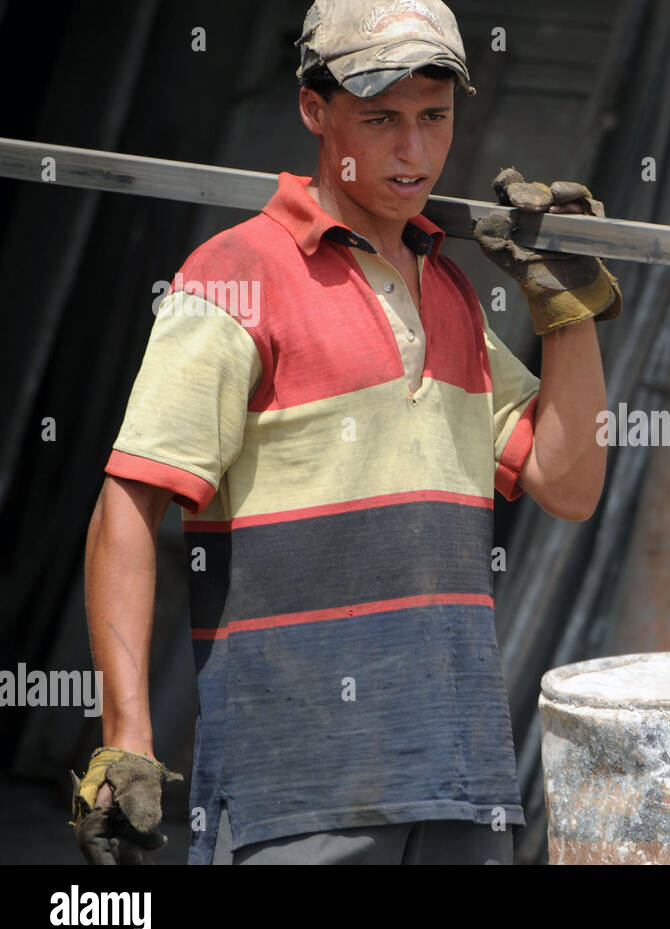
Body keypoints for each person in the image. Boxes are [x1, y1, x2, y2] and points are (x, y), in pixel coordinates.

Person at [71, 0, 620, 865]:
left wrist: (567, 308)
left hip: (462, 785)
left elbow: (570, 483)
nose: (413, 150)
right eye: (382, 119)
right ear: (314, 111)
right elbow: (129, 504)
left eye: (433, 117)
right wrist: (126, 739)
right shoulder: (235, 277)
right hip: (293, 790)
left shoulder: (452, 298)